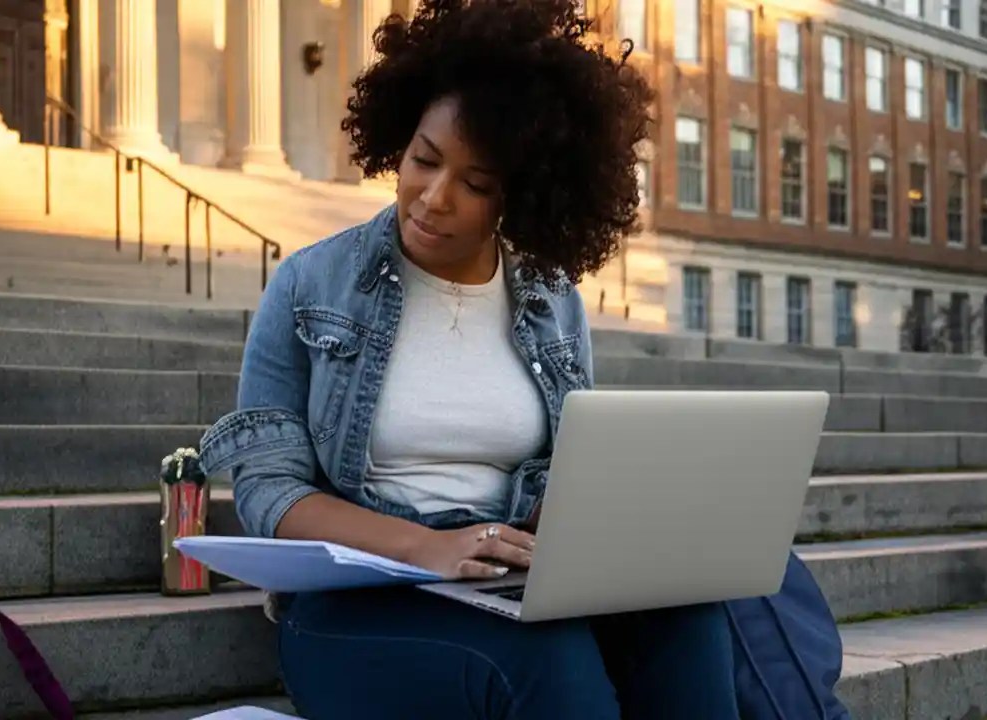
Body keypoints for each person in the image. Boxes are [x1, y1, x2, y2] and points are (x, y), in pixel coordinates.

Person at [198, 1, 740, 717]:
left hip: (508, 583)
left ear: (522, 196)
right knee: (547, 659)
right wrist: (428, 546)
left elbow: (571, 478)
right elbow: (269, 495)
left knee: (688, 621)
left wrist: (601, 531)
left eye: (476, 184)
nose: (433, 197)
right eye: (424, 160)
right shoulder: (310, 285)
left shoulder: (552, 301)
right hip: (358, 607)